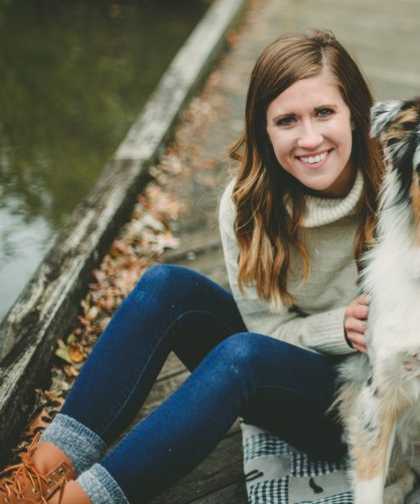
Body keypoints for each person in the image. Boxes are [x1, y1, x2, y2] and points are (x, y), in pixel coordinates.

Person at [0, 29, 384, 503]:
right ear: (264, 130)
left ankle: (80, 502)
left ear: (355, 114)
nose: (309, 138)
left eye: (324, 112)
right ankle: (39, 477)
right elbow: (266, 328)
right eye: (287, 120)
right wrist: (336, 328)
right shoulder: (248, 207)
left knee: (242, 356)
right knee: (166, 286)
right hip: (292, 371)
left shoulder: (402, 189)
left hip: (369, 406)